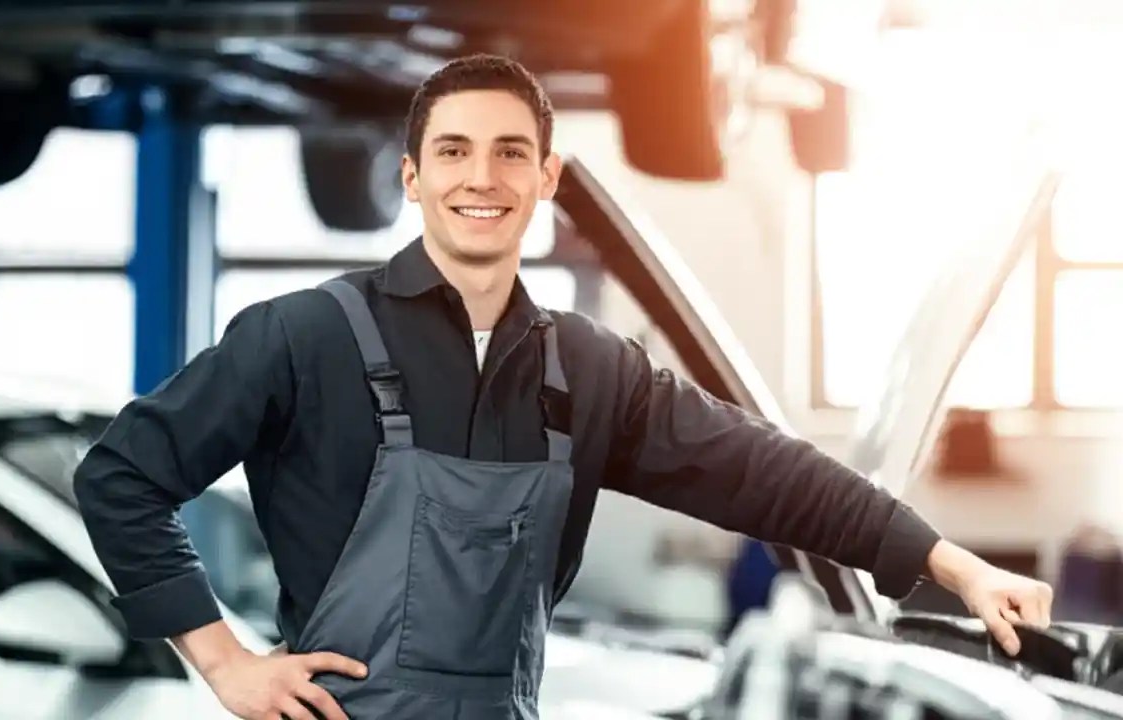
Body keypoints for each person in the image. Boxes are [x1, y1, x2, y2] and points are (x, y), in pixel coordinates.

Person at [73, 53, 1055, 720]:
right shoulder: (303, 335)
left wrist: (950, 565)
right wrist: (224, 663)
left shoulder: (587, 370)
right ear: (411, 178)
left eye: (511, 153)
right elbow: (121, 477)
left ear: (545, 178)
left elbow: (762, 474)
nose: (482, 178)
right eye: (453, 151)